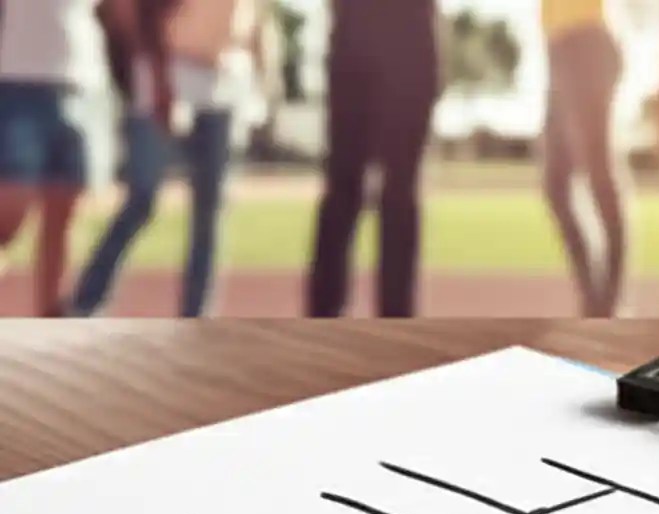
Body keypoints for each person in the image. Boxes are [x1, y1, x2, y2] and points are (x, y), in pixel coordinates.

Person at [69, 0, 273, 318]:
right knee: (141, 200)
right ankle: (85, 304)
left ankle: (197, 318)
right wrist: (161, 83)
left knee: (209, 212)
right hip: (165, 81)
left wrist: (264, 79)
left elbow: (255, 20)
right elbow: (130, 13)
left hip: (222, 86)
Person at [0, 0, 157, 317]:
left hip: (85, 87)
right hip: (17, 83)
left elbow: (122, 14)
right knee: (9, 215)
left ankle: (48, 323)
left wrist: (147, 73)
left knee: (63, 218)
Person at [308, 0, 441, 318]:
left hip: (403, 34)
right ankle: (326, 314)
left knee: (394, 191)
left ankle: (395, 317)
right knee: (347, 187)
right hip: (362, 33)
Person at [540, 0, 630, 318]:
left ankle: (607, 303)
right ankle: (595, 300)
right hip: (559, 47)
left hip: (585, 43)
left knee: (598, 172)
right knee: (555, 184)